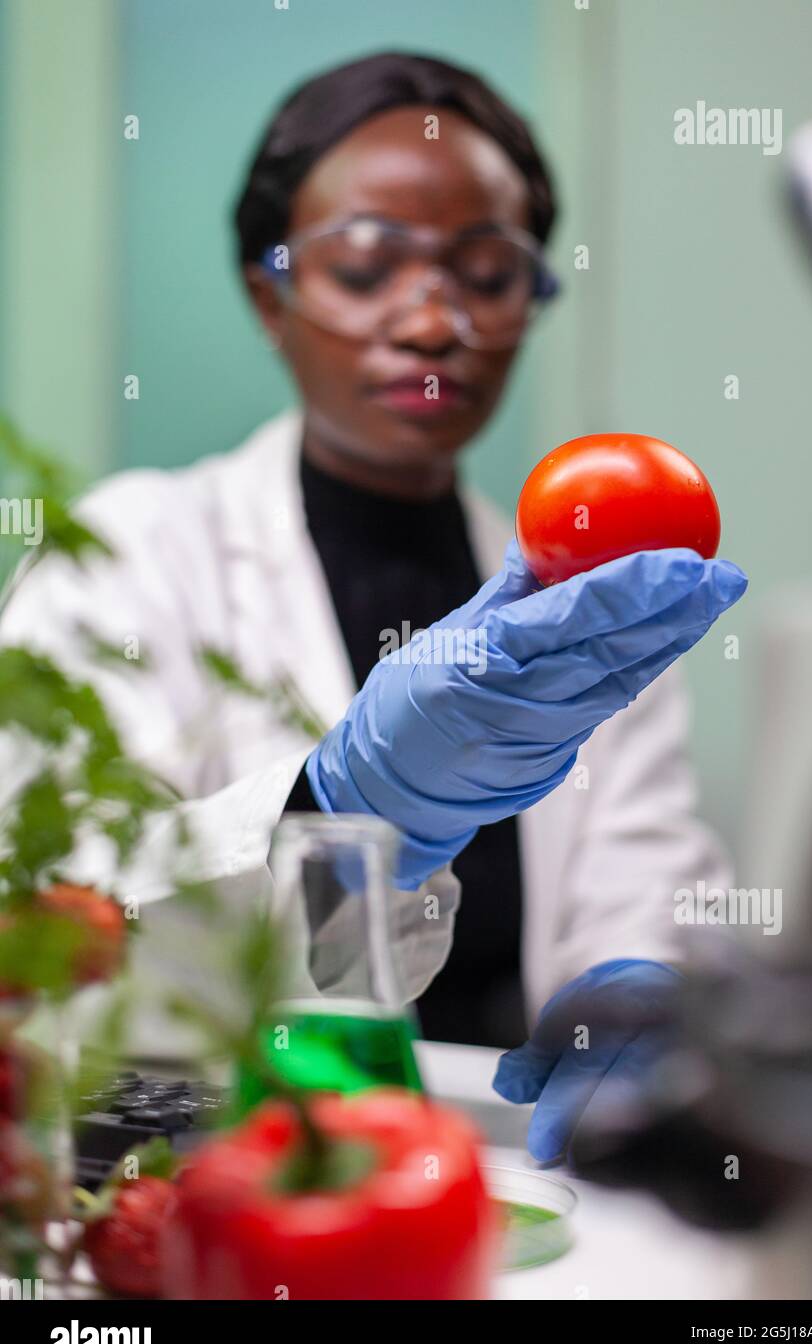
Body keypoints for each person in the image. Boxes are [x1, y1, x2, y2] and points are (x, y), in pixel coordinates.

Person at [0, 52, 745, 1160]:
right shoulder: (126, 557)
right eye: (363, 265)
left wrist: (631, 998)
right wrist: (334, 804)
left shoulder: (599, 605)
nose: (432, 320)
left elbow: (641, 888)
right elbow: (48, 919)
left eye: (484, 270)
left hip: (507, 1183)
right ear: (271, 292)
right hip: (208, 1169)